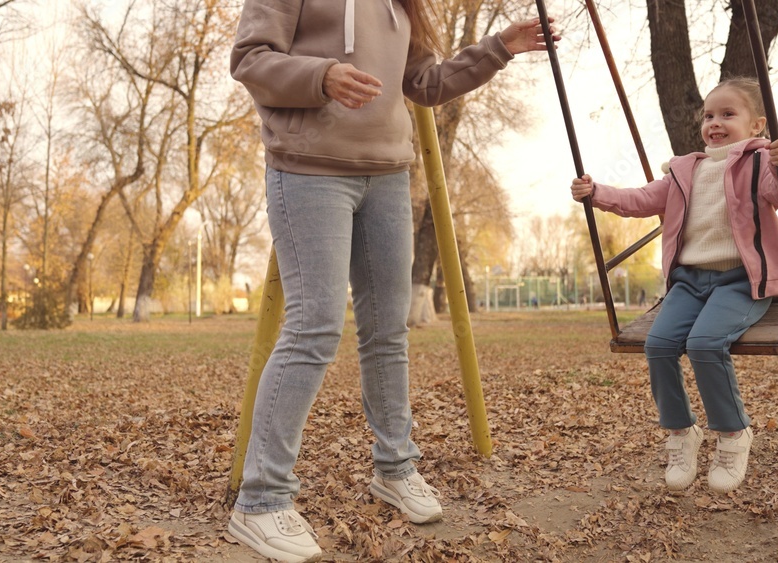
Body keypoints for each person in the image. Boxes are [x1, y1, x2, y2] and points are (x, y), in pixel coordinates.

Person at [228, 3, 560, 561]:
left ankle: (395, 467)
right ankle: (260, 501)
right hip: (308, 171)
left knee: (388, 332)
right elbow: (250, 59)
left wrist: (499, 47)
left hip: (385, 175)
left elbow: (425, 82)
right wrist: (321, 74)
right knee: (314, 327)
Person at [570, 77, 778, 494]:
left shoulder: (761, 161)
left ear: (757, 125)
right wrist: (597, 193)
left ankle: (734, 435)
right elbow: (640, 199)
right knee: (658, 344)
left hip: (741, 281)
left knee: (703, 344)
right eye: (709, 115)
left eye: (728, 114)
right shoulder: (684, 170)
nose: (715, 123)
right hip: (690, 281)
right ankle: (682, 432)